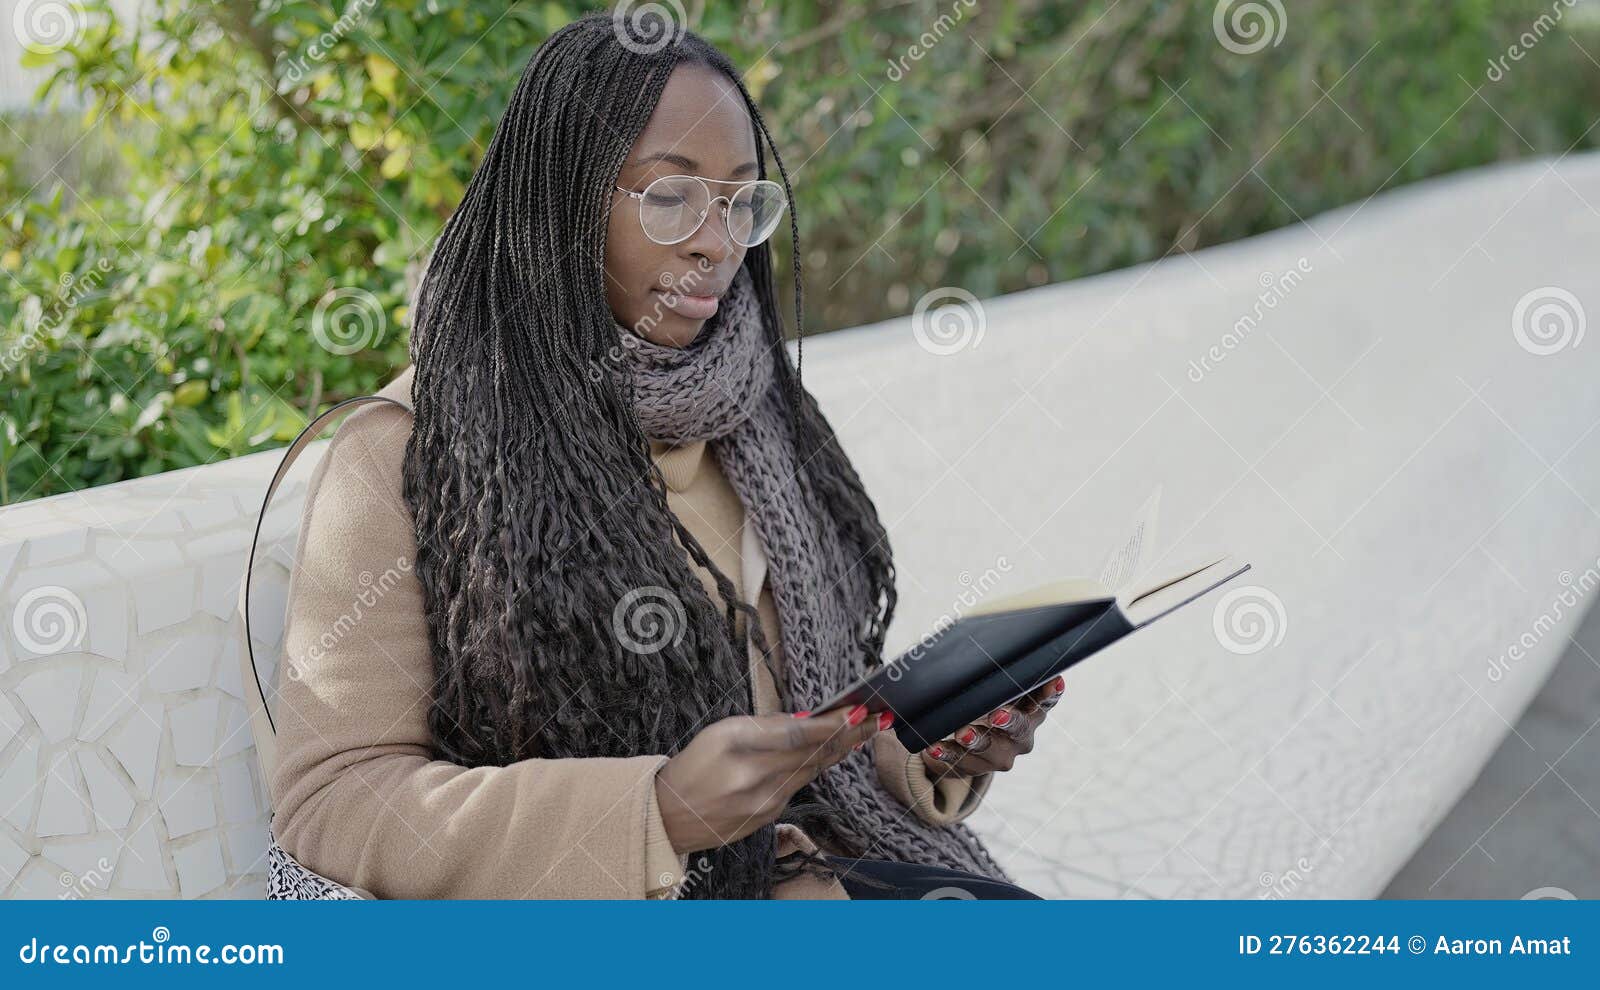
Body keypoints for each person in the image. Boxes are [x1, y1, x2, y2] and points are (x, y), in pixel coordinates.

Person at [270, 11, 1061, 900]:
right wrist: (656, 812)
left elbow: (787, 751)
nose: (717, 243)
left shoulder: (755, 414)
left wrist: (919, 748)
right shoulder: (405, 455)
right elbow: (333, 802)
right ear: (562, 202)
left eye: (741, 201)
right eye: (671, 195)